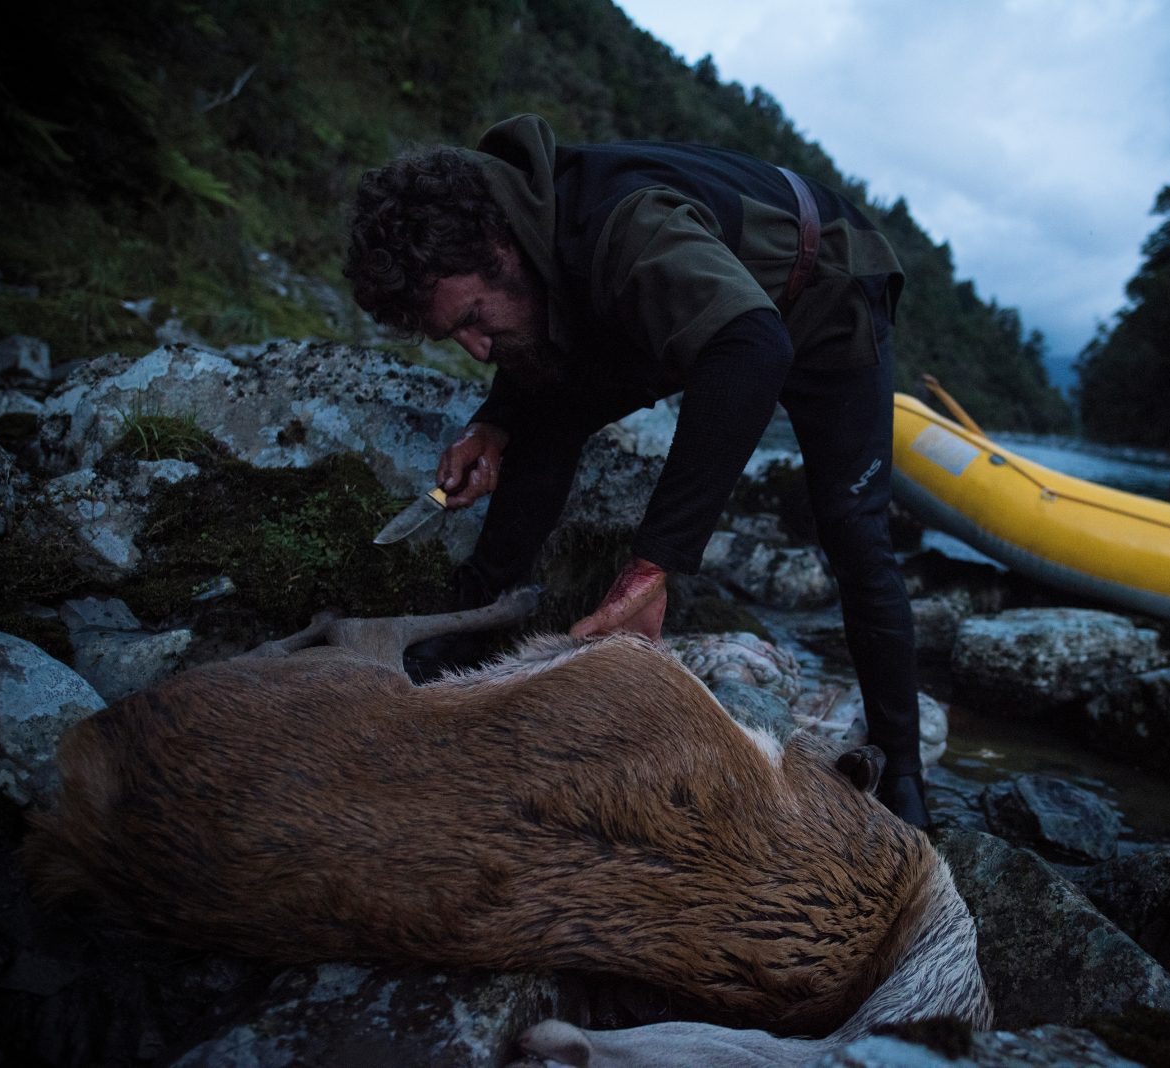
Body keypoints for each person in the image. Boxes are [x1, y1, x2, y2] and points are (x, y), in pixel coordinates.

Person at [344, 114, 928, 827]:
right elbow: (543, 368)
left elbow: (752, 348)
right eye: (453, 335)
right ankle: (465, 630)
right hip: (700, 305)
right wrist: (494, 420)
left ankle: (905, 780)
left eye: (473, 318)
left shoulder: (627, 229)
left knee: (853, 530)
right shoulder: (528, 244)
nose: (476, 348)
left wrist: (653, 567)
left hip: (823, 286)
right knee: (548, 412)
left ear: (500, 250)